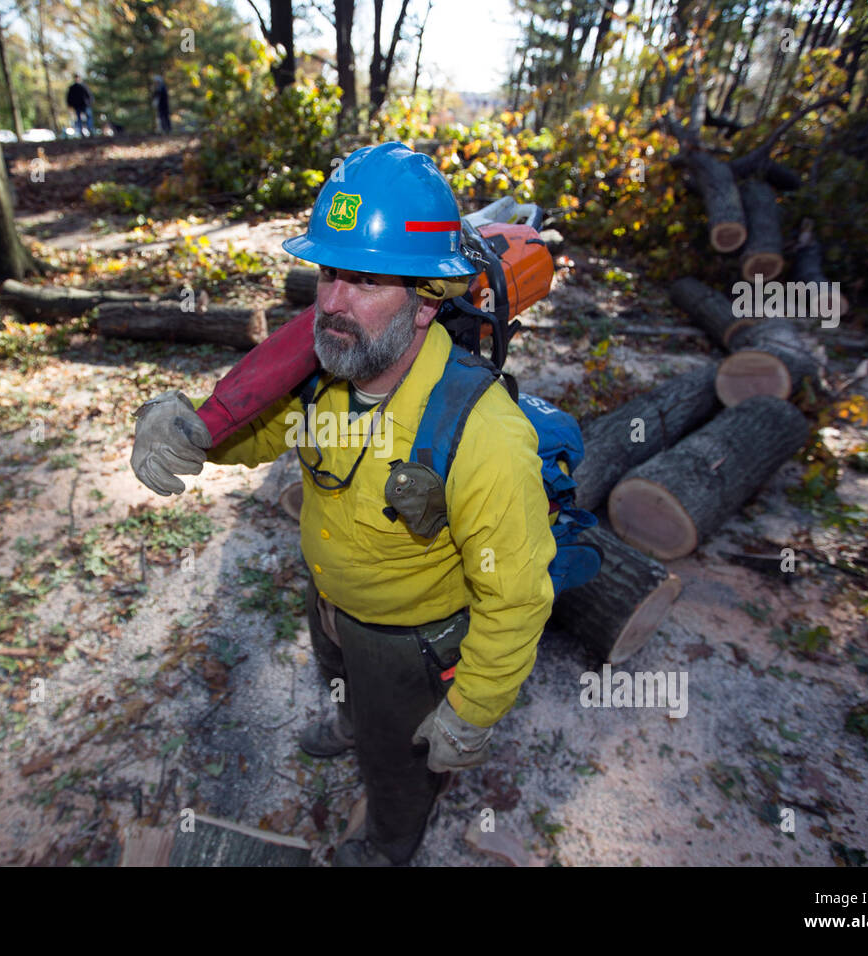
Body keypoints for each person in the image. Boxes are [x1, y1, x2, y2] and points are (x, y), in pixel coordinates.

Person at [129, 142, 556, 866]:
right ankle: (354, 720)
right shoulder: (328, 372)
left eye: (364, 279)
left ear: (427, 302)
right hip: (332, 601)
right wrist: (192, 431)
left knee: (401, 767)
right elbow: (262, 425)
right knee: (341, 677)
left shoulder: (482, 433)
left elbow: (516, 596)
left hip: (409, 644)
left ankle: (387, 845)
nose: (330, 303)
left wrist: (475, 705)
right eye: (329, 272)